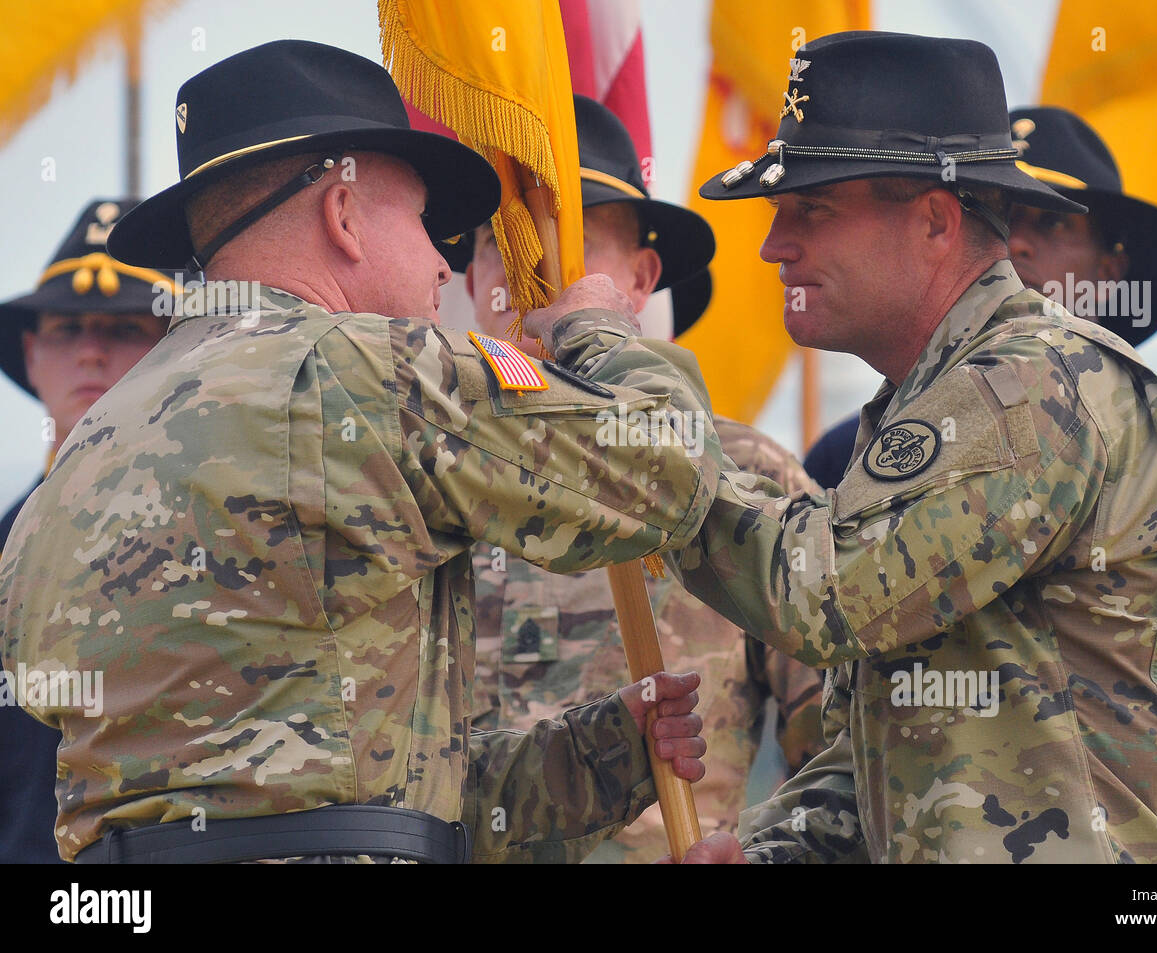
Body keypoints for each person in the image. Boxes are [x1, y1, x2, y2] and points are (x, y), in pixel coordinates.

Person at [523, 30, 1157, 863]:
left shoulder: (1031, 388)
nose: (774, 245)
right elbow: (897, 757)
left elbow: (819, 596)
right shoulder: (938, 402)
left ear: (937, 221)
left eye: (813, 210)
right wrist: (770, 855)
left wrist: (612, 358)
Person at [0, 40, 715, 864]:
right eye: (420, 221)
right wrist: (597, 325)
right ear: (341, 213)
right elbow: (672, 470)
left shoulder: (83, 451)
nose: (446, 267)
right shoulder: (371, 372)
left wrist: (602, 754)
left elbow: (327, 784)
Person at [800, 106, 1157, 862]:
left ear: (1111, 267)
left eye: (1049, 222)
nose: (1017, 240)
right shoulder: (851, 451)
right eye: (996, 214)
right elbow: (847, 708)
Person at [460, 96, 826, 863]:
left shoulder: (749, 476)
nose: (535, 285)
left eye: (572, 248)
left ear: (640, 278)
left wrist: (752, 855)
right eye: (507, 247)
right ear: (469, 275)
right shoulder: (425, 476)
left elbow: (842, 748)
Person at [0, 198, 171, 863]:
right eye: (68, 331)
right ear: (32, 353)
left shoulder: (237, 530)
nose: (92, 352)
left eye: (122, 329)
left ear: (176, 351)